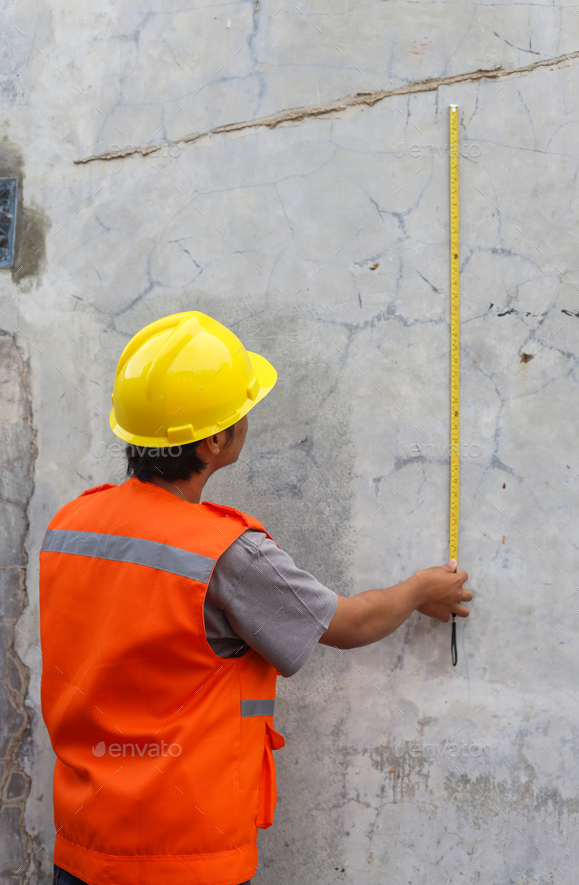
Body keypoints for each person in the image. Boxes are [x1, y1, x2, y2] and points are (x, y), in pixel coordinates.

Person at [40, 311, 472, 885]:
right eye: (240, 412)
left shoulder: (70, 525)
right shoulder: (225, 554)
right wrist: (421, 589)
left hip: (83, 848)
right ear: (216, 439)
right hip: (184, 860)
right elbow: (349, 624)